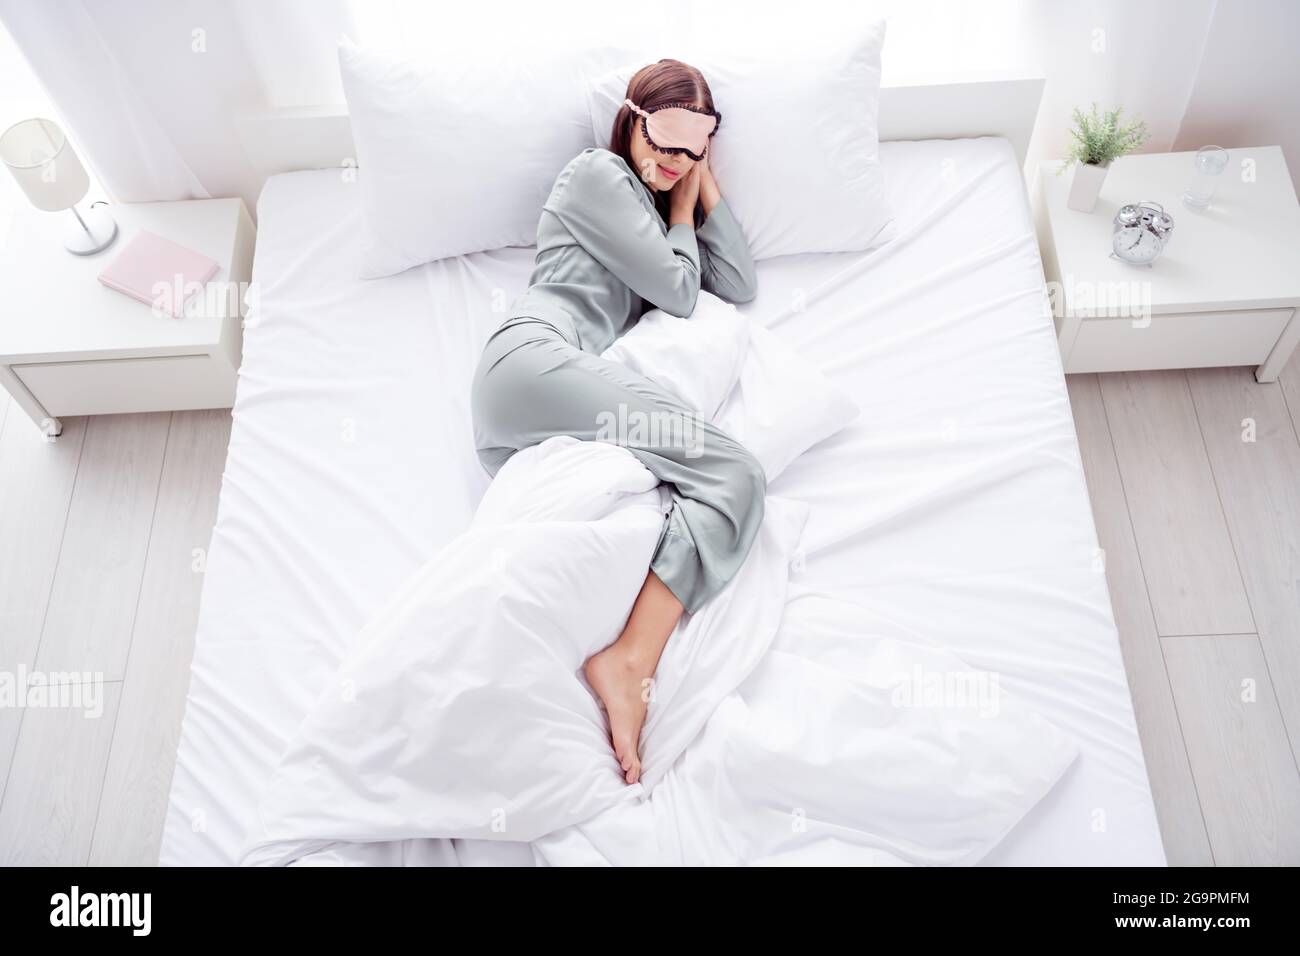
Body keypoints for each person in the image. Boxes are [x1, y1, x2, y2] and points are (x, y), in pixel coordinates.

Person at [470, 58, 762, 784]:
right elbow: (678, 289)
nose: (674, 162)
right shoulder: (595, 177)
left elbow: (740, 283)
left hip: (551, 405)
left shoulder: (659, 198)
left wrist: (703, 189)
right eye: (664, 142)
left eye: (693, 150)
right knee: (733, 471)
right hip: (532, 360)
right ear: (632, 120)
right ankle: (630, 661)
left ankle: (607, 663)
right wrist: (685, 211)